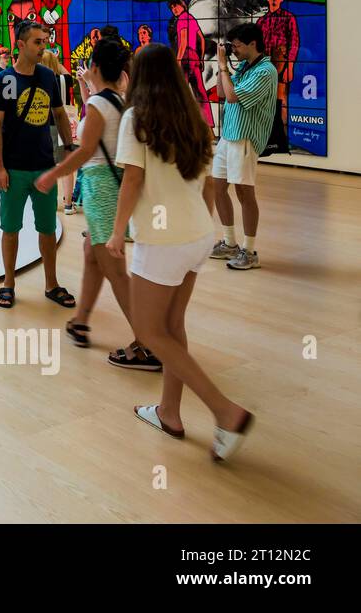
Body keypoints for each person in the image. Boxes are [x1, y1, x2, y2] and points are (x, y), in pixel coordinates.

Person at [106, 43, 254, 462]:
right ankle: (169, 412)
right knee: (173, 325)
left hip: (162, 240)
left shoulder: (137, 118)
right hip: (196, 236)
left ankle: (225, 410)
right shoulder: (193, 116)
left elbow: (132, 181)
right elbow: (207, 184)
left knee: (151, 333)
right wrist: (198, 230)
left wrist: (117, 234)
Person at [35, 39, 156, 367]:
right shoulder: (115, 100)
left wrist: (51, 176)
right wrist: (87, 85)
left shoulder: (102, 106)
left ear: (97, 67)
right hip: (110, 187)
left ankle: (149, 343)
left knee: (116, 272)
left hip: (101, 189)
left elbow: (86, 151)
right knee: (93, 255)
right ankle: (81, 321)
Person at [0, 19, 75, 310]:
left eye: (45, 40)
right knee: (10, 228)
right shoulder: (4, 80)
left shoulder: (48, 77)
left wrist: (69, 149)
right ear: (21, 45)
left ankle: (51, 284)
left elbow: (60, 115)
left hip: (44, 167)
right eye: (38, 41)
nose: (44, 46)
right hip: (13, 169)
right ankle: (8, 283)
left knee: (47, 229)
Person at [209, 22, 279, 270]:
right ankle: (230, 243)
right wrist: (222, 69)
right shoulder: (244, 68)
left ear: (253, 44)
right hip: (228, 137)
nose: (234, 50)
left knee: (244, 193)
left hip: (246, 139)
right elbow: (220, 91)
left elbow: (232, 96)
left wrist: (224, 67)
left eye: (237, 46)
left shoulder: (265, 71)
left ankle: (249, 251)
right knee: (217, 187)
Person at [257, 0, 298, 130]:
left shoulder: (288, 18)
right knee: (264, 99)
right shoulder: (261, 21)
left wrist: (290, 66)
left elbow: (294, 43)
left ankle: (283, 134)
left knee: (280, 98)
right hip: (264, 64)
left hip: (281, 63)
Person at [41, 49, 78, 214]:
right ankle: (69, 204)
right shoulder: (65, 79)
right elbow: (67, 73)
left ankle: (51, 203)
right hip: (65, 125)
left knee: (49, 164)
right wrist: (57, 61)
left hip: (46, 125)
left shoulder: (41, 79)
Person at [167, 0, 213, 125]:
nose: (174, 9)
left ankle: (178, 124)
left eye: (176, 5)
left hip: (185, 57)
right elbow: (202, 40)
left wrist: (177, 60)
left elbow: (183, 42)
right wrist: (201, 58)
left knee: (179, 91)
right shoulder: (191, 18)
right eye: (171, 7)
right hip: (194, 57)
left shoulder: (182, 19)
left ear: (182, 4)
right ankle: (208, 124)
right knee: (200, 93)